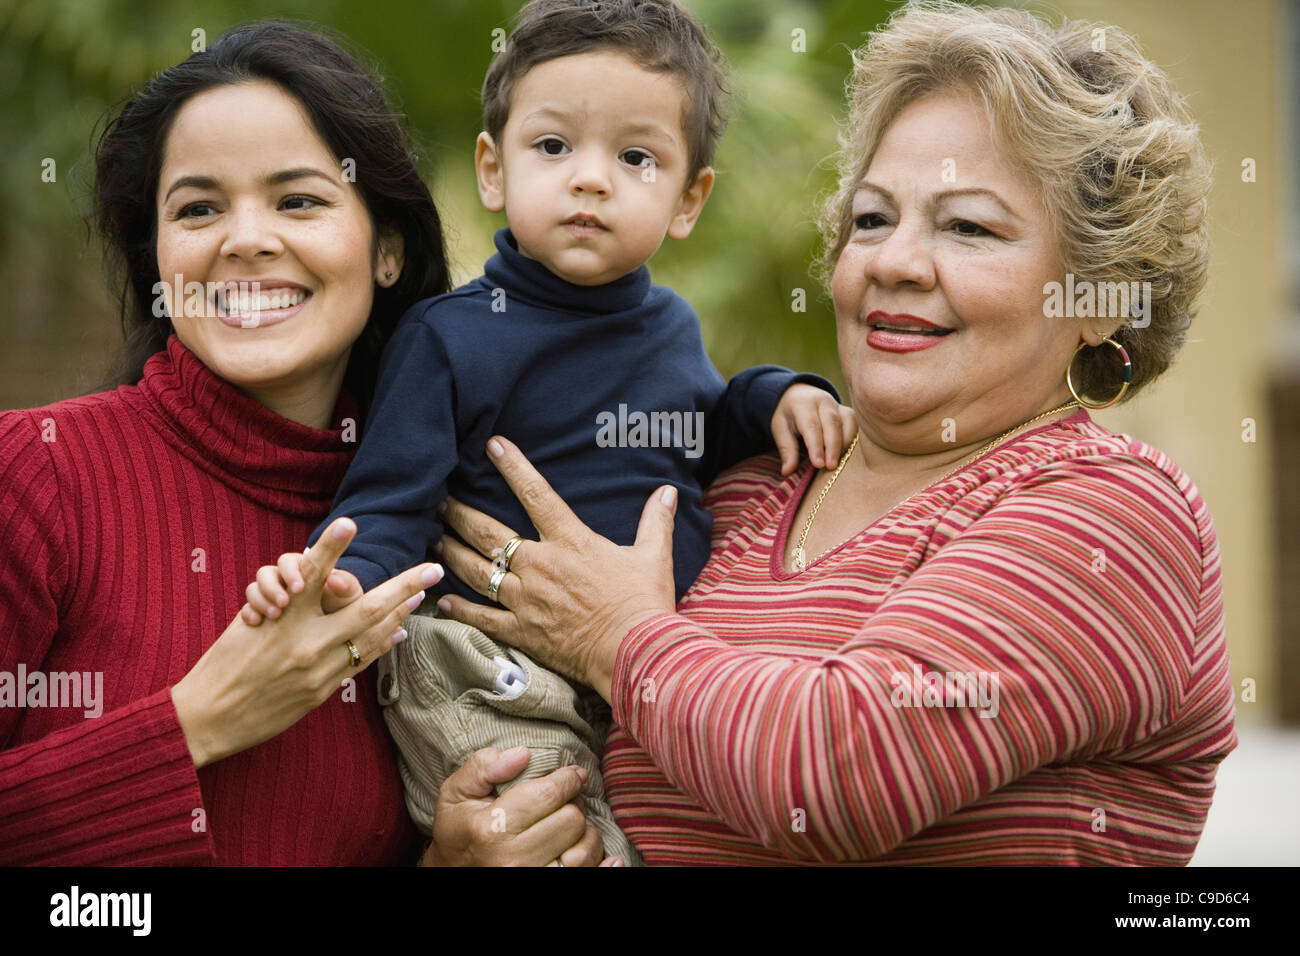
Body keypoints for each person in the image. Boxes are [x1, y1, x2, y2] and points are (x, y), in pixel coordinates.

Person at [426, 0, 1236, 865]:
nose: (892, 261)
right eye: (874, 218)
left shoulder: (1114, 514)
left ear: (1100, 297)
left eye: (969, 227)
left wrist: (615, 636)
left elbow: (837, 774)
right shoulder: (744, 482)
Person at [241, 0, 850, 864]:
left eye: (636, 157)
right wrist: (339, 586)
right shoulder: (451, 335)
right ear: (494, 169)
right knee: (577, 850)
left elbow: (695, 438)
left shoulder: (671, 328)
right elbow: (389, 500)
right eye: (553, 147)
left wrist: (776, 397)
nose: (591, 179)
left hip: (626, 682)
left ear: (688, 200)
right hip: (484, 666)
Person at [0, 20, 482, 866]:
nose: (246, 238)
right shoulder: (37, 472)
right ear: (158, 259)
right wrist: (200, 720)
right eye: (198, 208)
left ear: (389, 250)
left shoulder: (447, 532)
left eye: (299, 199)